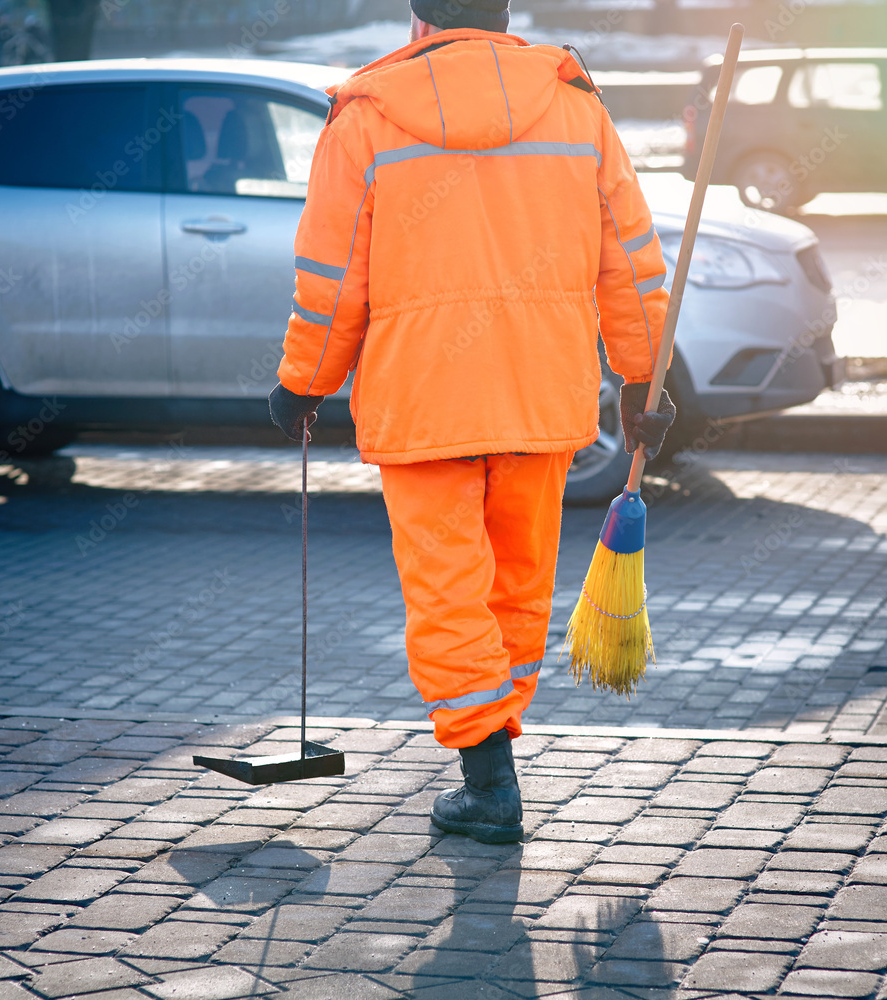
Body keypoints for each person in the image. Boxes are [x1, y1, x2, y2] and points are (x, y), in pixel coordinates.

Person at [269, 0, 675, 844]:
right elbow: (630, 261)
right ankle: (495, 752)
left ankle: (489, 777)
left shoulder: (369, 116)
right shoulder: (573, 104)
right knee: (518, 584)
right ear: (504, 15)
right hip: (542, 393)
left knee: (447, 590)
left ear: (419, 21)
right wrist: (642, 379)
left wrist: (305, 381)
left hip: (424, 400)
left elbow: (332, 271)